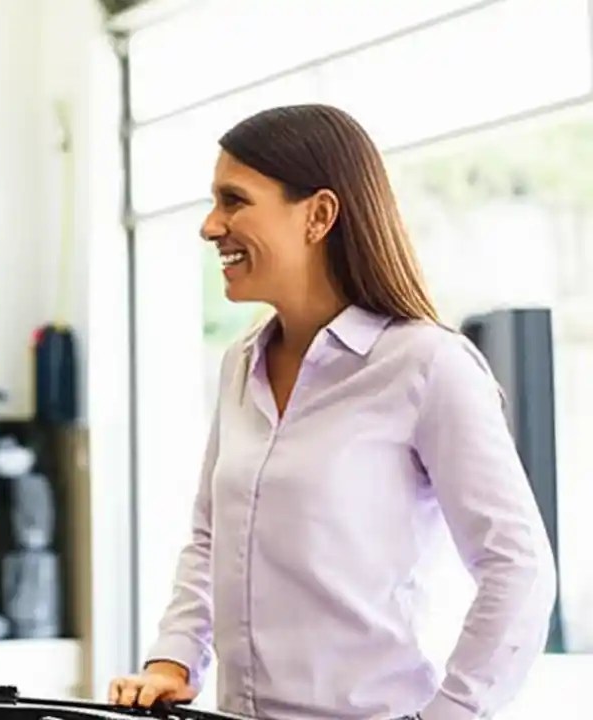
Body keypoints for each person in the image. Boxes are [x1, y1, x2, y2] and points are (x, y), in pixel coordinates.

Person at [108, 104, 557, 720]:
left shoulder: (427, 365)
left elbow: (519, 569)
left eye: (234, 200)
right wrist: (174, 659)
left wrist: (449, 713)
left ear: (318, 215)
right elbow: (212, 538)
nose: (211, 226)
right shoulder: (241, 363)